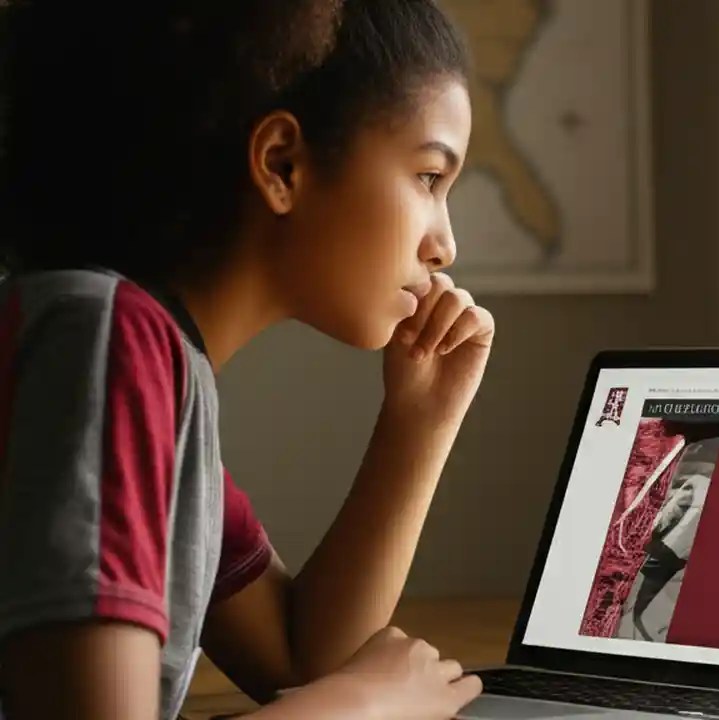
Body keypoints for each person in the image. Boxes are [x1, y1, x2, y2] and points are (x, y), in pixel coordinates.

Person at [0, 1, 491, 719]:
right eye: (427, 178)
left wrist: (419, 422)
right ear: (282, 164)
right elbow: (333, 684)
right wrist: (366, 706)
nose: (444, 245)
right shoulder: (103, 340)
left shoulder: (153, 363)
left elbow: (300, 657)